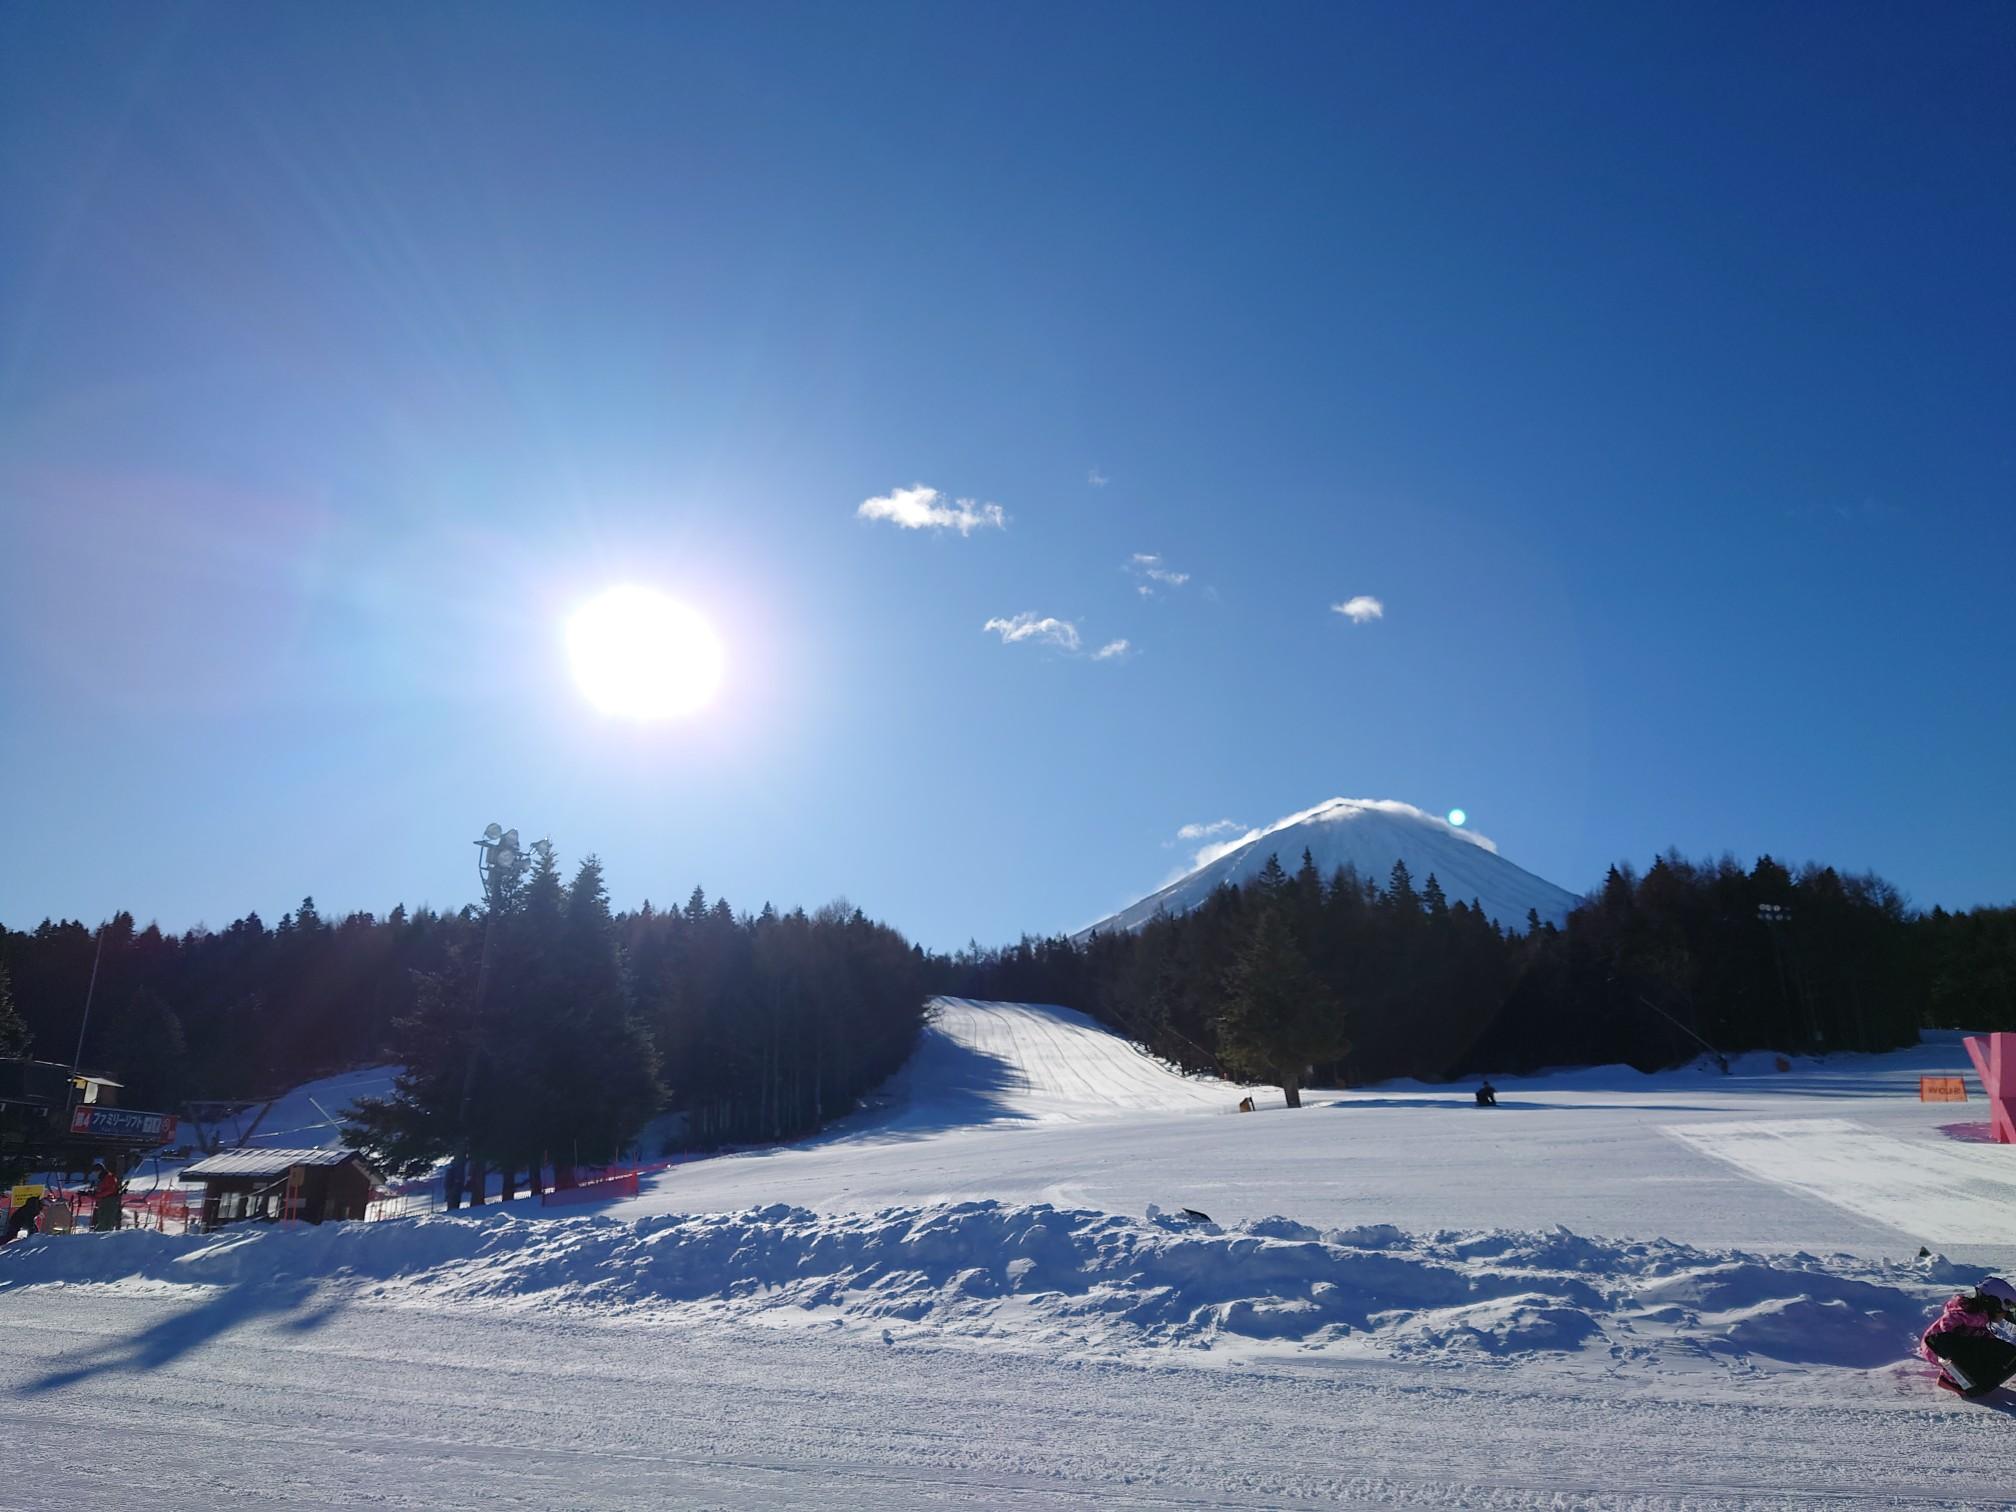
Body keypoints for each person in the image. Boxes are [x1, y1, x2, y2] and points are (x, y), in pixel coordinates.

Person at [1921, 1277, 2016, 1397]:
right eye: (2005, 1310)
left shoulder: (1979, 1317)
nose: (2006, 1315)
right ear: (1993, 1304)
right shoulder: (1965, 1314)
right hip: (1936, 1347)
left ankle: (1968, 1374)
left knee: (1998, 1350)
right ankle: (1951, 1380)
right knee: (1987, 1352)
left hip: (1947, 1347)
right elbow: (1944, 1331)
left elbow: (1983, 1338)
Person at [85, 1160, 122, 1232]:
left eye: (95, 1172)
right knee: (102, 1218)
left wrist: (96, 1194)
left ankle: (103, 1233)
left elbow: (110, 1191)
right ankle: (100, 1231)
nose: (95, 1174)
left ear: (99, 1171)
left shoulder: (108, 1177)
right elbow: (101, 1192)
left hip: (109, 1201)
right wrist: (89, 1194)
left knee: (106, 1219)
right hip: (104, 1201)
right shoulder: (102, 1179)